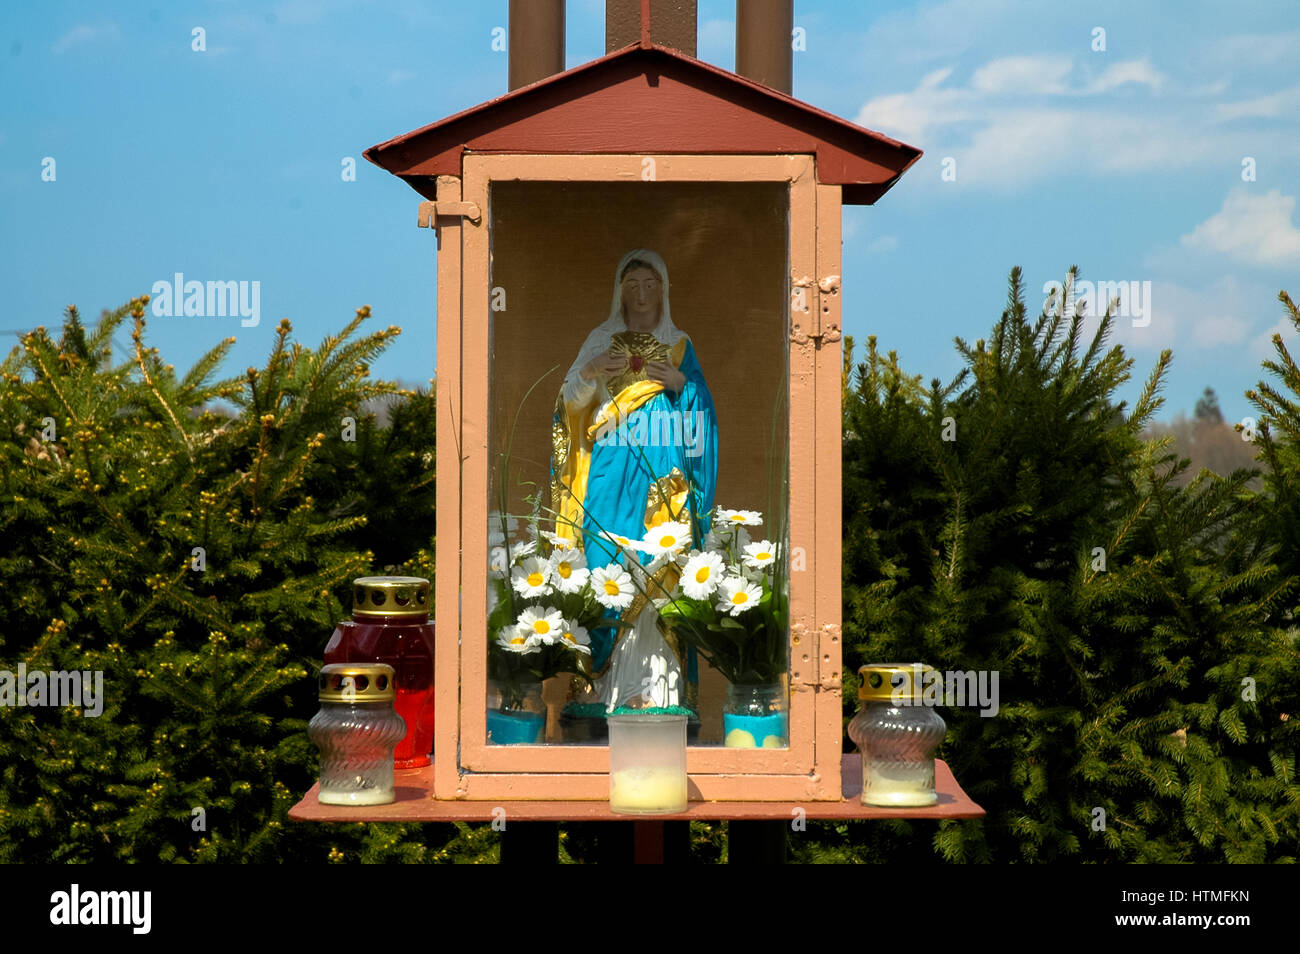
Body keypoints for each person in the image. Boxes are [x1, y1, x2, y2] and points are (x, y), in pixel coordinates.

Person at [550, 249, 718, 711]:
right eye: (633, 285)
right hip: (610, 465)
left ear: (663, 290)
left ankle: (659, 691)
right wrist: (590, 371)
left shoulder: (678, 343)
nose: (642, 294)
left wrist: (681, 385)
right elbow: (568, 405)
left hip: (663, 471)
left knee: (662, 566)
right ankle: (602, 692)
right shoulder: (600, 340)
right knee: (605, 559)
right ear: (619, 291)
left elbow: (702, 413)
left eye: (650, 284)